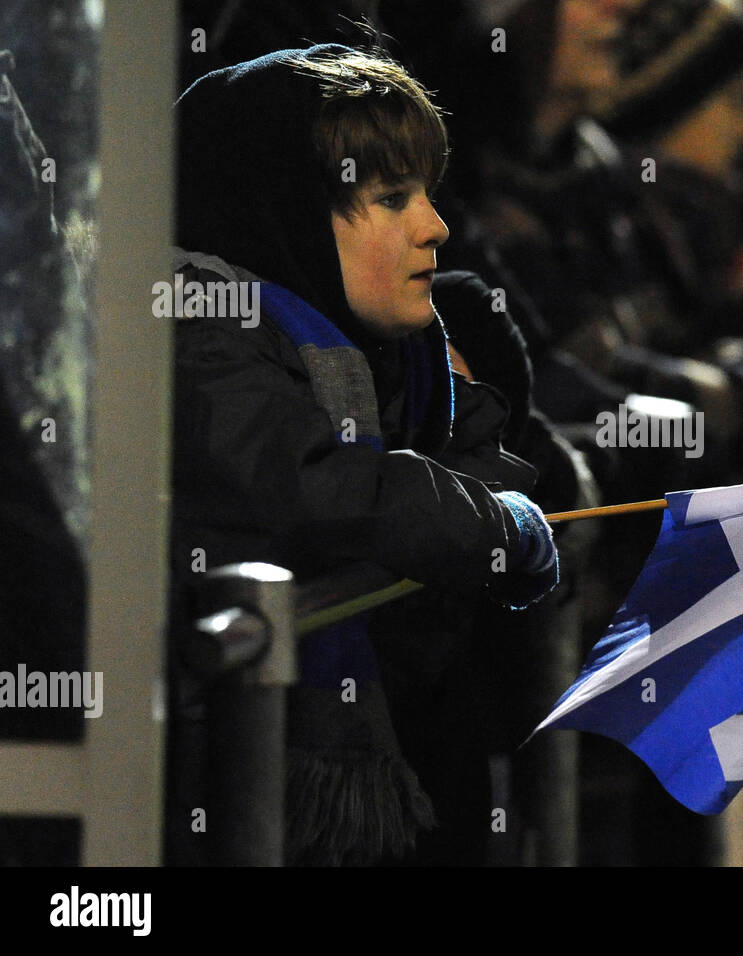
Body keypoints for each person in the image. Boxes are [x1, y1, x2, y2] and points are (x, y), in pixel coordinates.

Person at [167, 43, 558, 865]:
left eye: (427, 193)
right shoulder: (201, 341)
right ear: (284, 214)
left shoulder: (400, 352)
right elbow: (322, 492)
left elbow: (469, 459)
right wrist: (490, 520)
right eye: (391, 198)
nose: (436, 226)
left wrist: (487, 505)